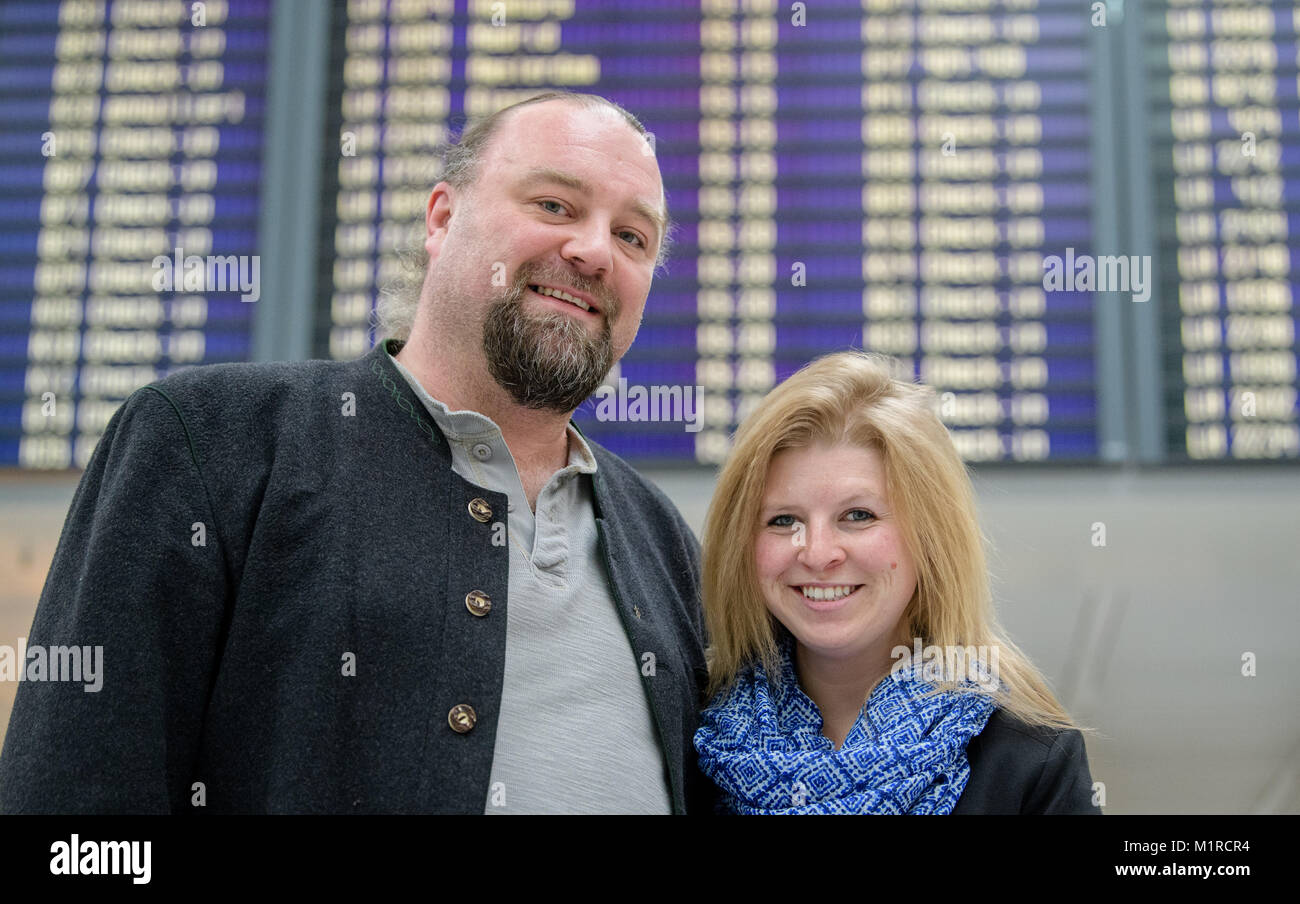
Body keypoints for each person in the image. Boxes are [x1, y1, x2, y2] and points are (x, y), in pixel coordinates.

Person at [0, 92, 711, 814]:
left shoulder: (670, 549)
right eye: (555, 205)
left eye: (633, 237)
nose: (594, 250)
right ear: (442, 217)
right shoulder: (205, 442)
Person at [693, 352, 1101, 814]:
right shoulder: (688, 732)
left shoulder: (1031, 757)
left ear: (929, 538)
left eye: (858, 515)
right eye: (783, 520)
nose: (818, 552)